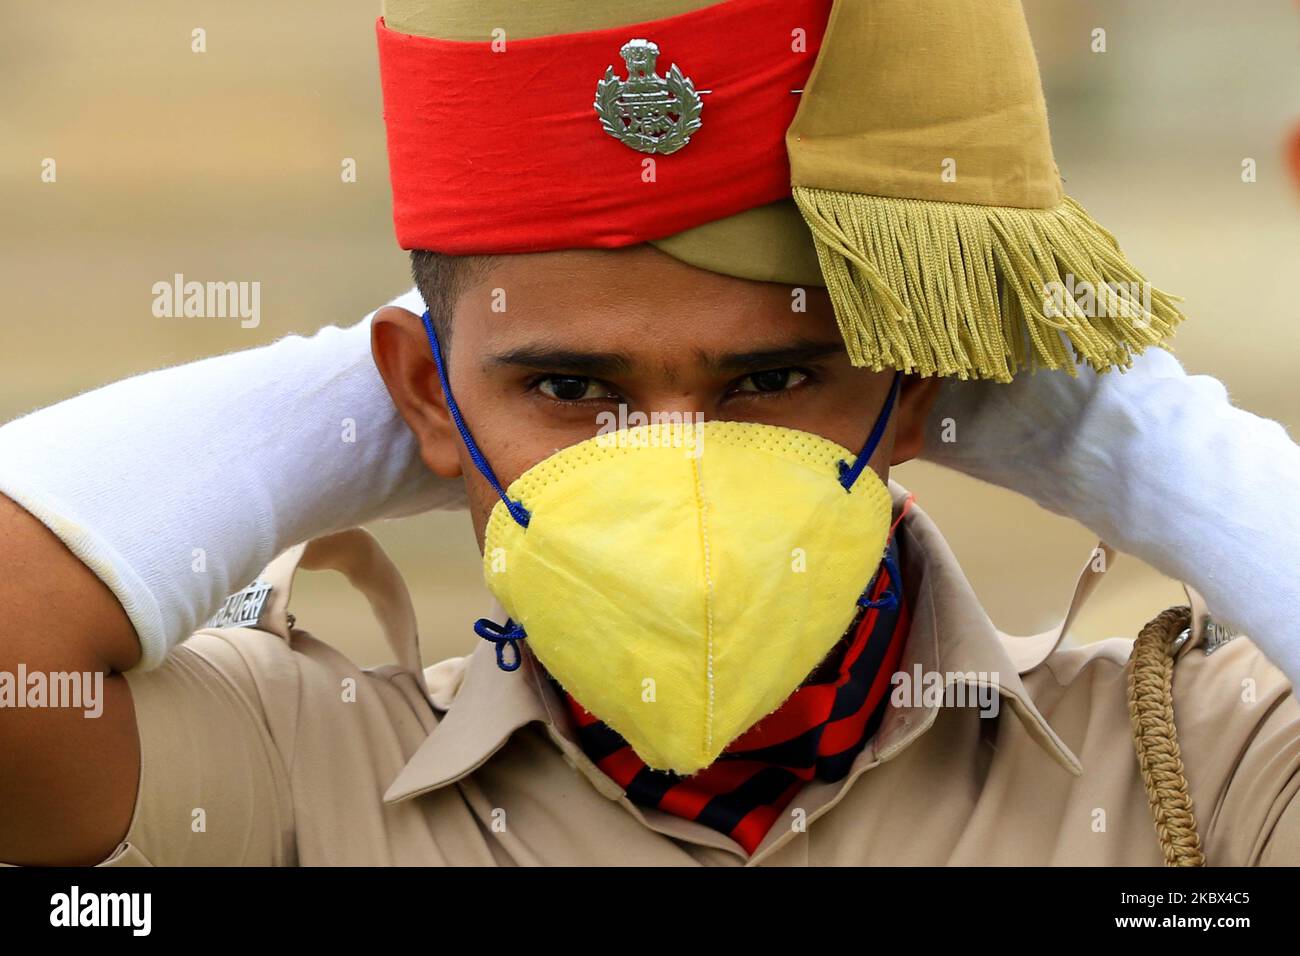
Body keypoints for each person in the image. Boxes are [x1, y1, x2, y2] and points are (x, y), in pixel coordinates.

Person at [2, 0, 1298, 866]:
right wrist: (413, 402)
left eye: (771, 381)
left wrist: (1110, 428)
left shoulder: (1195, 762)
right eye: (571, 388)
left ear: (913, 394)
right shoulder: (299, 772)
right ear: (422, 393)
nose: (675, 471)